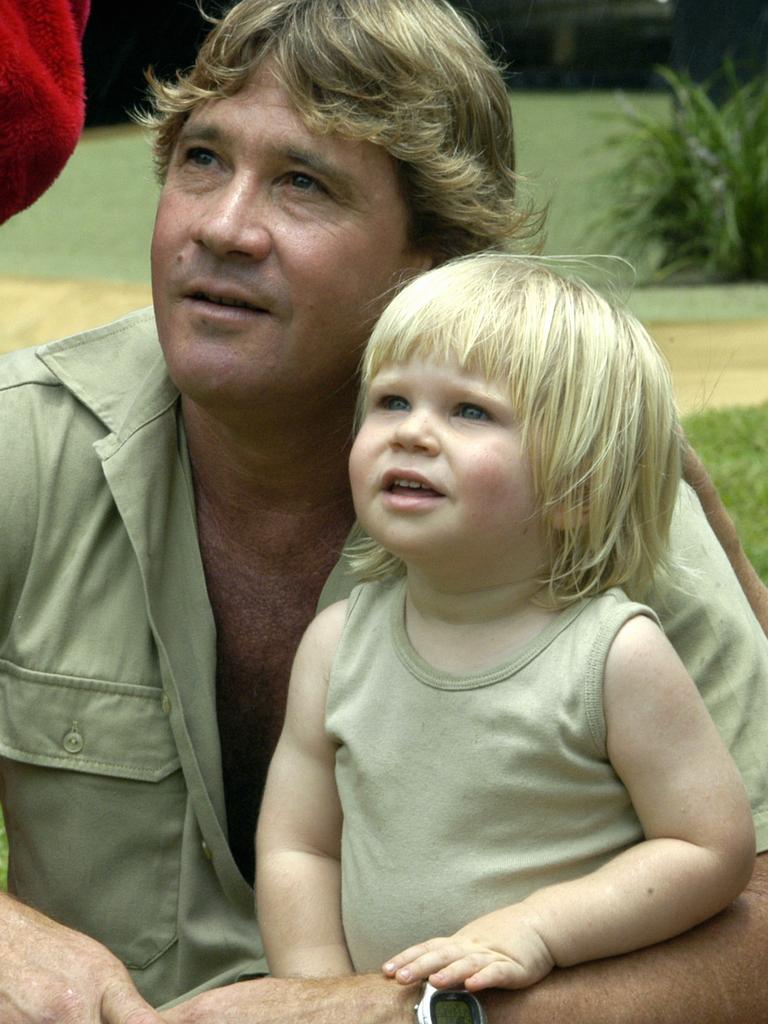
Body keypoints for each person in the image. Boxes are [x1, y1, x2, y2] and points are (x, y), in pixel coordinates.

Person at [0, 0, 766, 1022]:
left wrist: (399, 1015)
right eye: (200, 160)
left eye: (303, 183)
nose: (222, 228)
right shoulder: (24, 441)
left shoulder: (581, 489)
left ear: (431, 259)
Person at [256, 254, 757, 997]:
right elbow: (298, 846)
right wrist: (321, 993)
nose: (412, 433)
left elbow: (709, 846)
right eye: (392, 401)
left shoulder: (611, 656)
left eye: (469, 411)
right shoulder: (338, 644)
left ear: (578, 486)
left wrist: (539, 926)